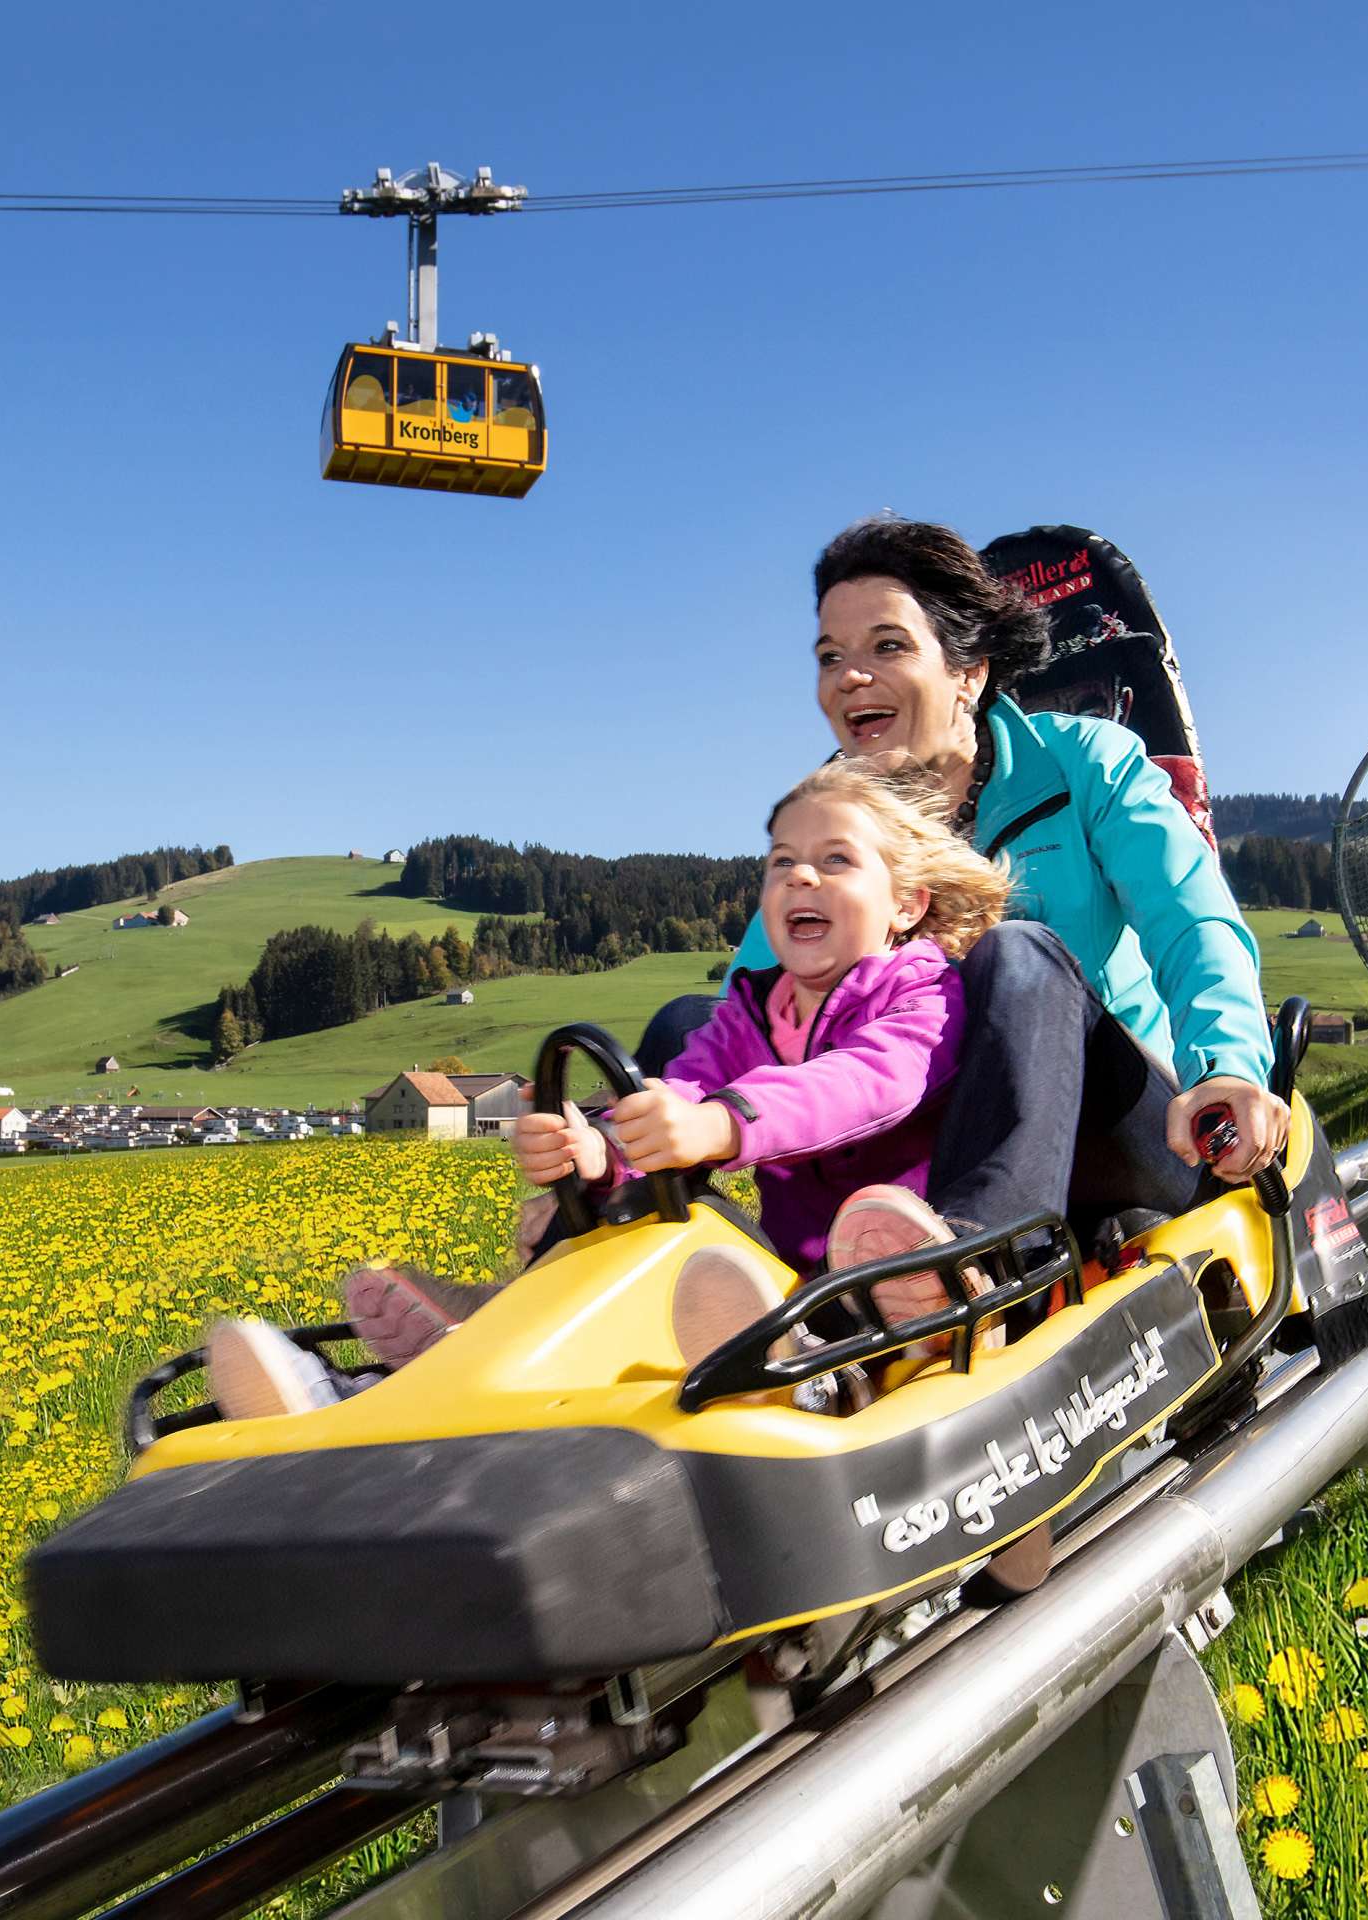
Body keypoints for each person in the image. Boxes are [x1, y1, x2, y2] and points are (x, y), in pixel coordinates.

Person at [343, 515, 1285, 1366]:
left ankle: (976, 1276)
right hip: (914, 1170)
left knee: (1016, 954)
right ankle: (558, 1300)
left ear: (969, 671)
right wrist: (612, 1137)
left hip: (1111, 1132)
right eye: (831, 656)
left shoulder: (1086, 766)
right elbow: (754, 1012)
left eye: (887, 647)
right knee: (690, 1023)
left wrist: (1230, 1070)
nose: (849, 679)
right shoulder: (838, 835)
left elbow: (1193, 927)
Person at [205, 756, 1009, 1420]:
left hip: (899, 1277)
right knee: (658, 1223)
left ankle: (828, 1374)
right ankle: (379, 1392)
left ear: (907, 903)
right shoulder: (749, 1015)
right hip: (786, 1282)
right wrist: (600, 1151)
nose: (801, 875)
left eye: (835, 860)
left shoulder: (923, 994)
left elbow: (865, 1084)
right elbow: (677, 1094)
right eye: (780, 861)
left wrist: (724, 1123)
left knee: (840, 1253)